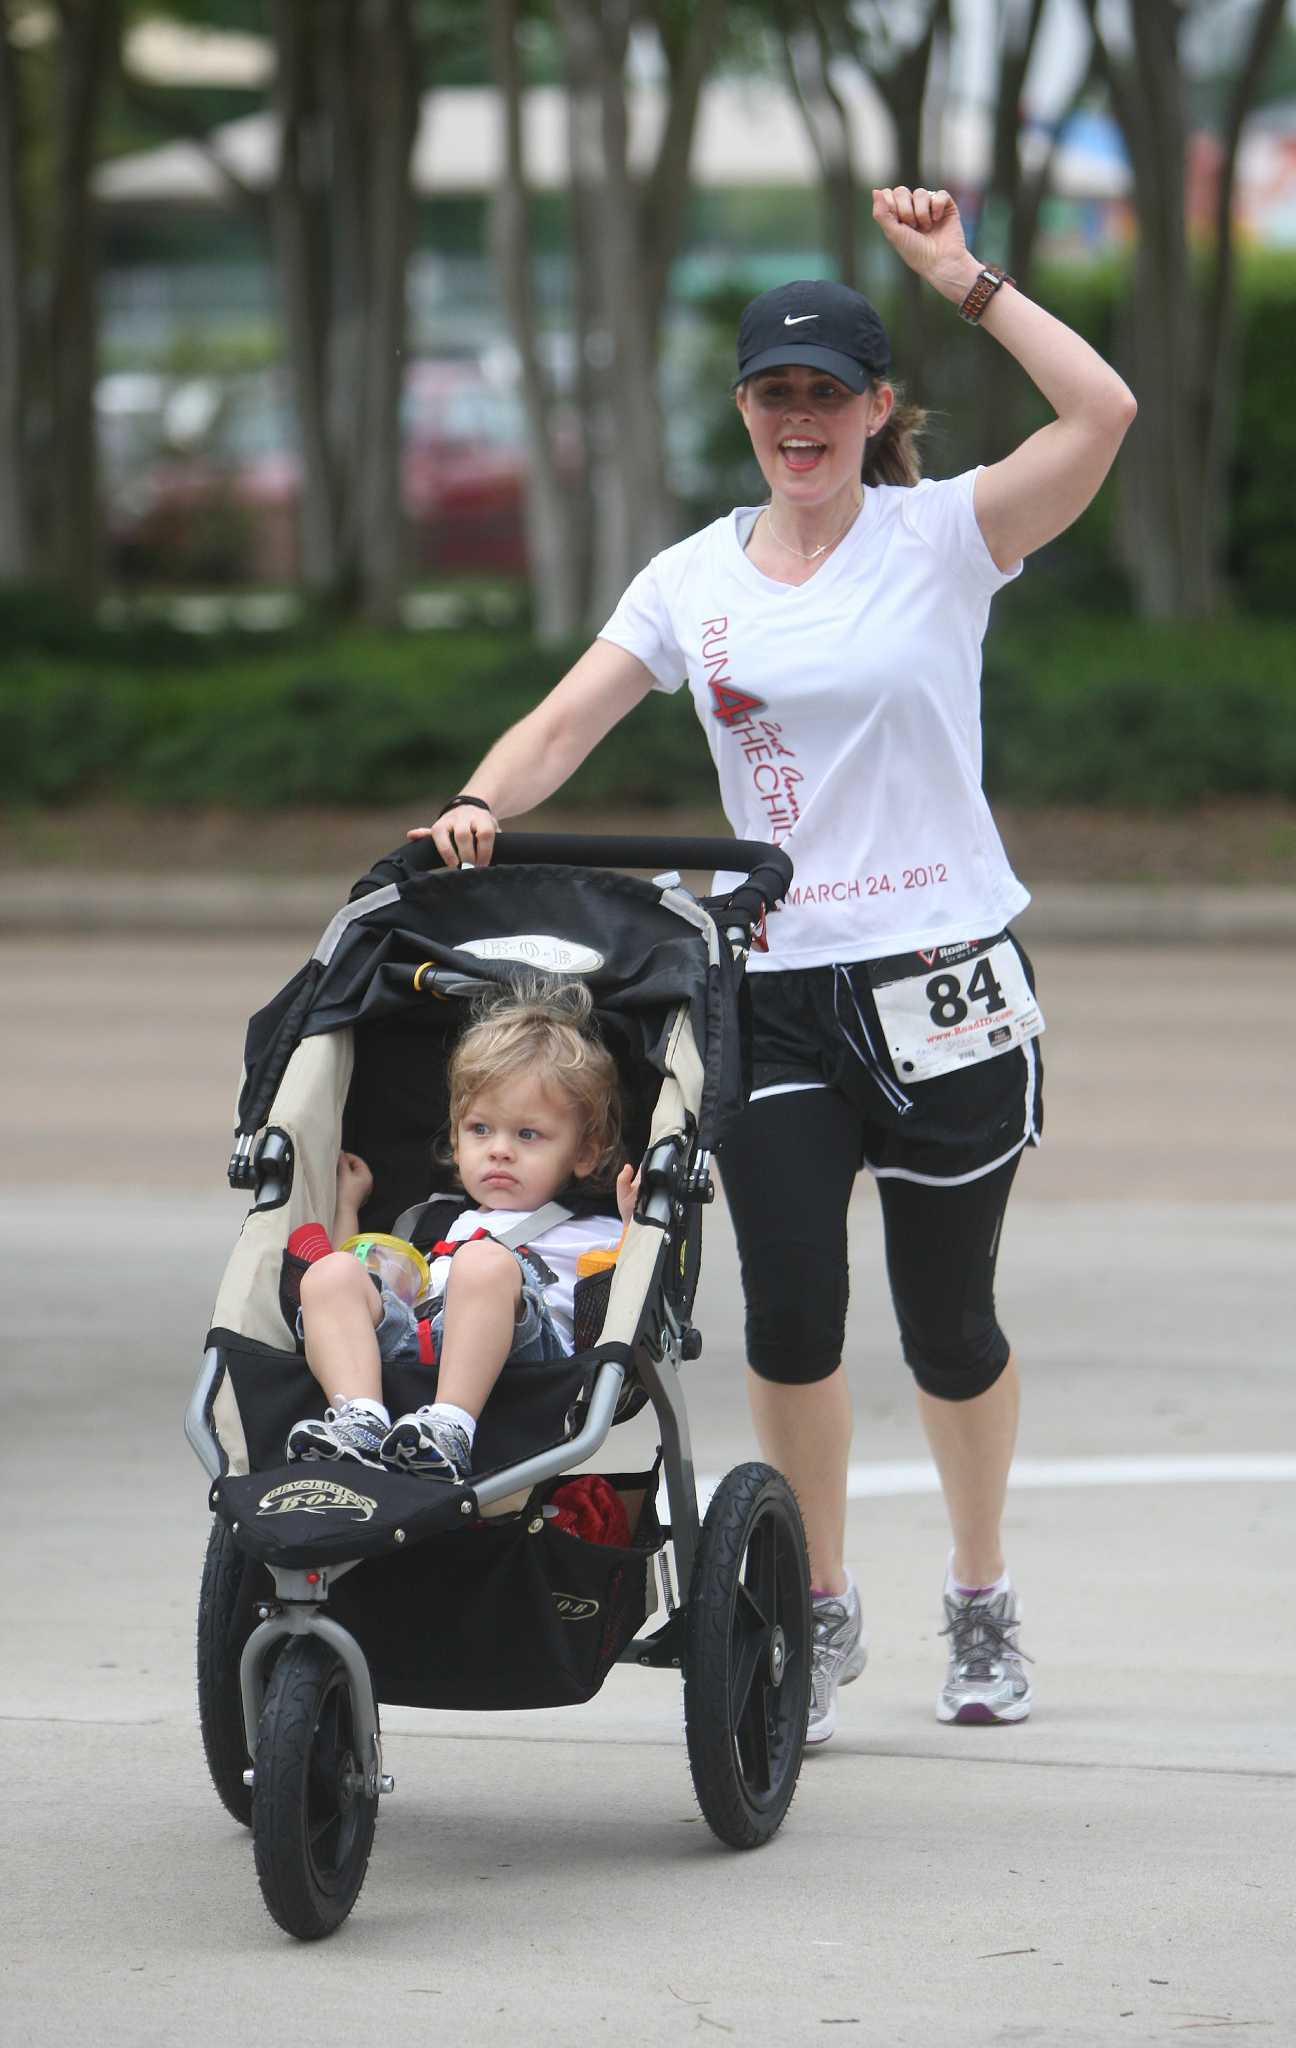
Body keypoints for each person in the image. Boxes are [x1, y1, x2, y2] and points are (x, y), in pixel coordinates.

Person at [412, 185, 1136, 1730]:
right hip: (773, 989)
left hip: (941, 980)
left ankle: (979, 1590)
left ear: (878, 411)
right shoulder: (694, 579)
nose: (797, 420)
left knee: (948, 1326)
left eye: (825, 395)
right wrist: (478, 801)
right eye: (771, 396)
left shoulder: (948, 533)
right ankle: (811, 1602)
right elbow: (565, 719)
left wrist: (961, 279)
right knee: (793, 1315)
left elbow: (1103, 409)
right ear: (745, 413)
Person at [286, 978, 637, 1483]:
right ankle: (360, 1417)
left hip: (528, 1360)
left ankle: (452, 1424)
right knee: (330, 1274)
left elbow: (624, 1291)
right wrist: (348, 1205)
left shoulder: (592, 1227)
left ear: (583, 1153)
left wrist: (635, 1223)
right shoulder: (435, 1221)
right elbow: (368, 1270)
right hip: (417, 1341)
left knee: (482, 1263)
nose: (499, 1149)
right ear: (455, 1137)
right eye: (480, 1130)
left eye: (528, 1135)